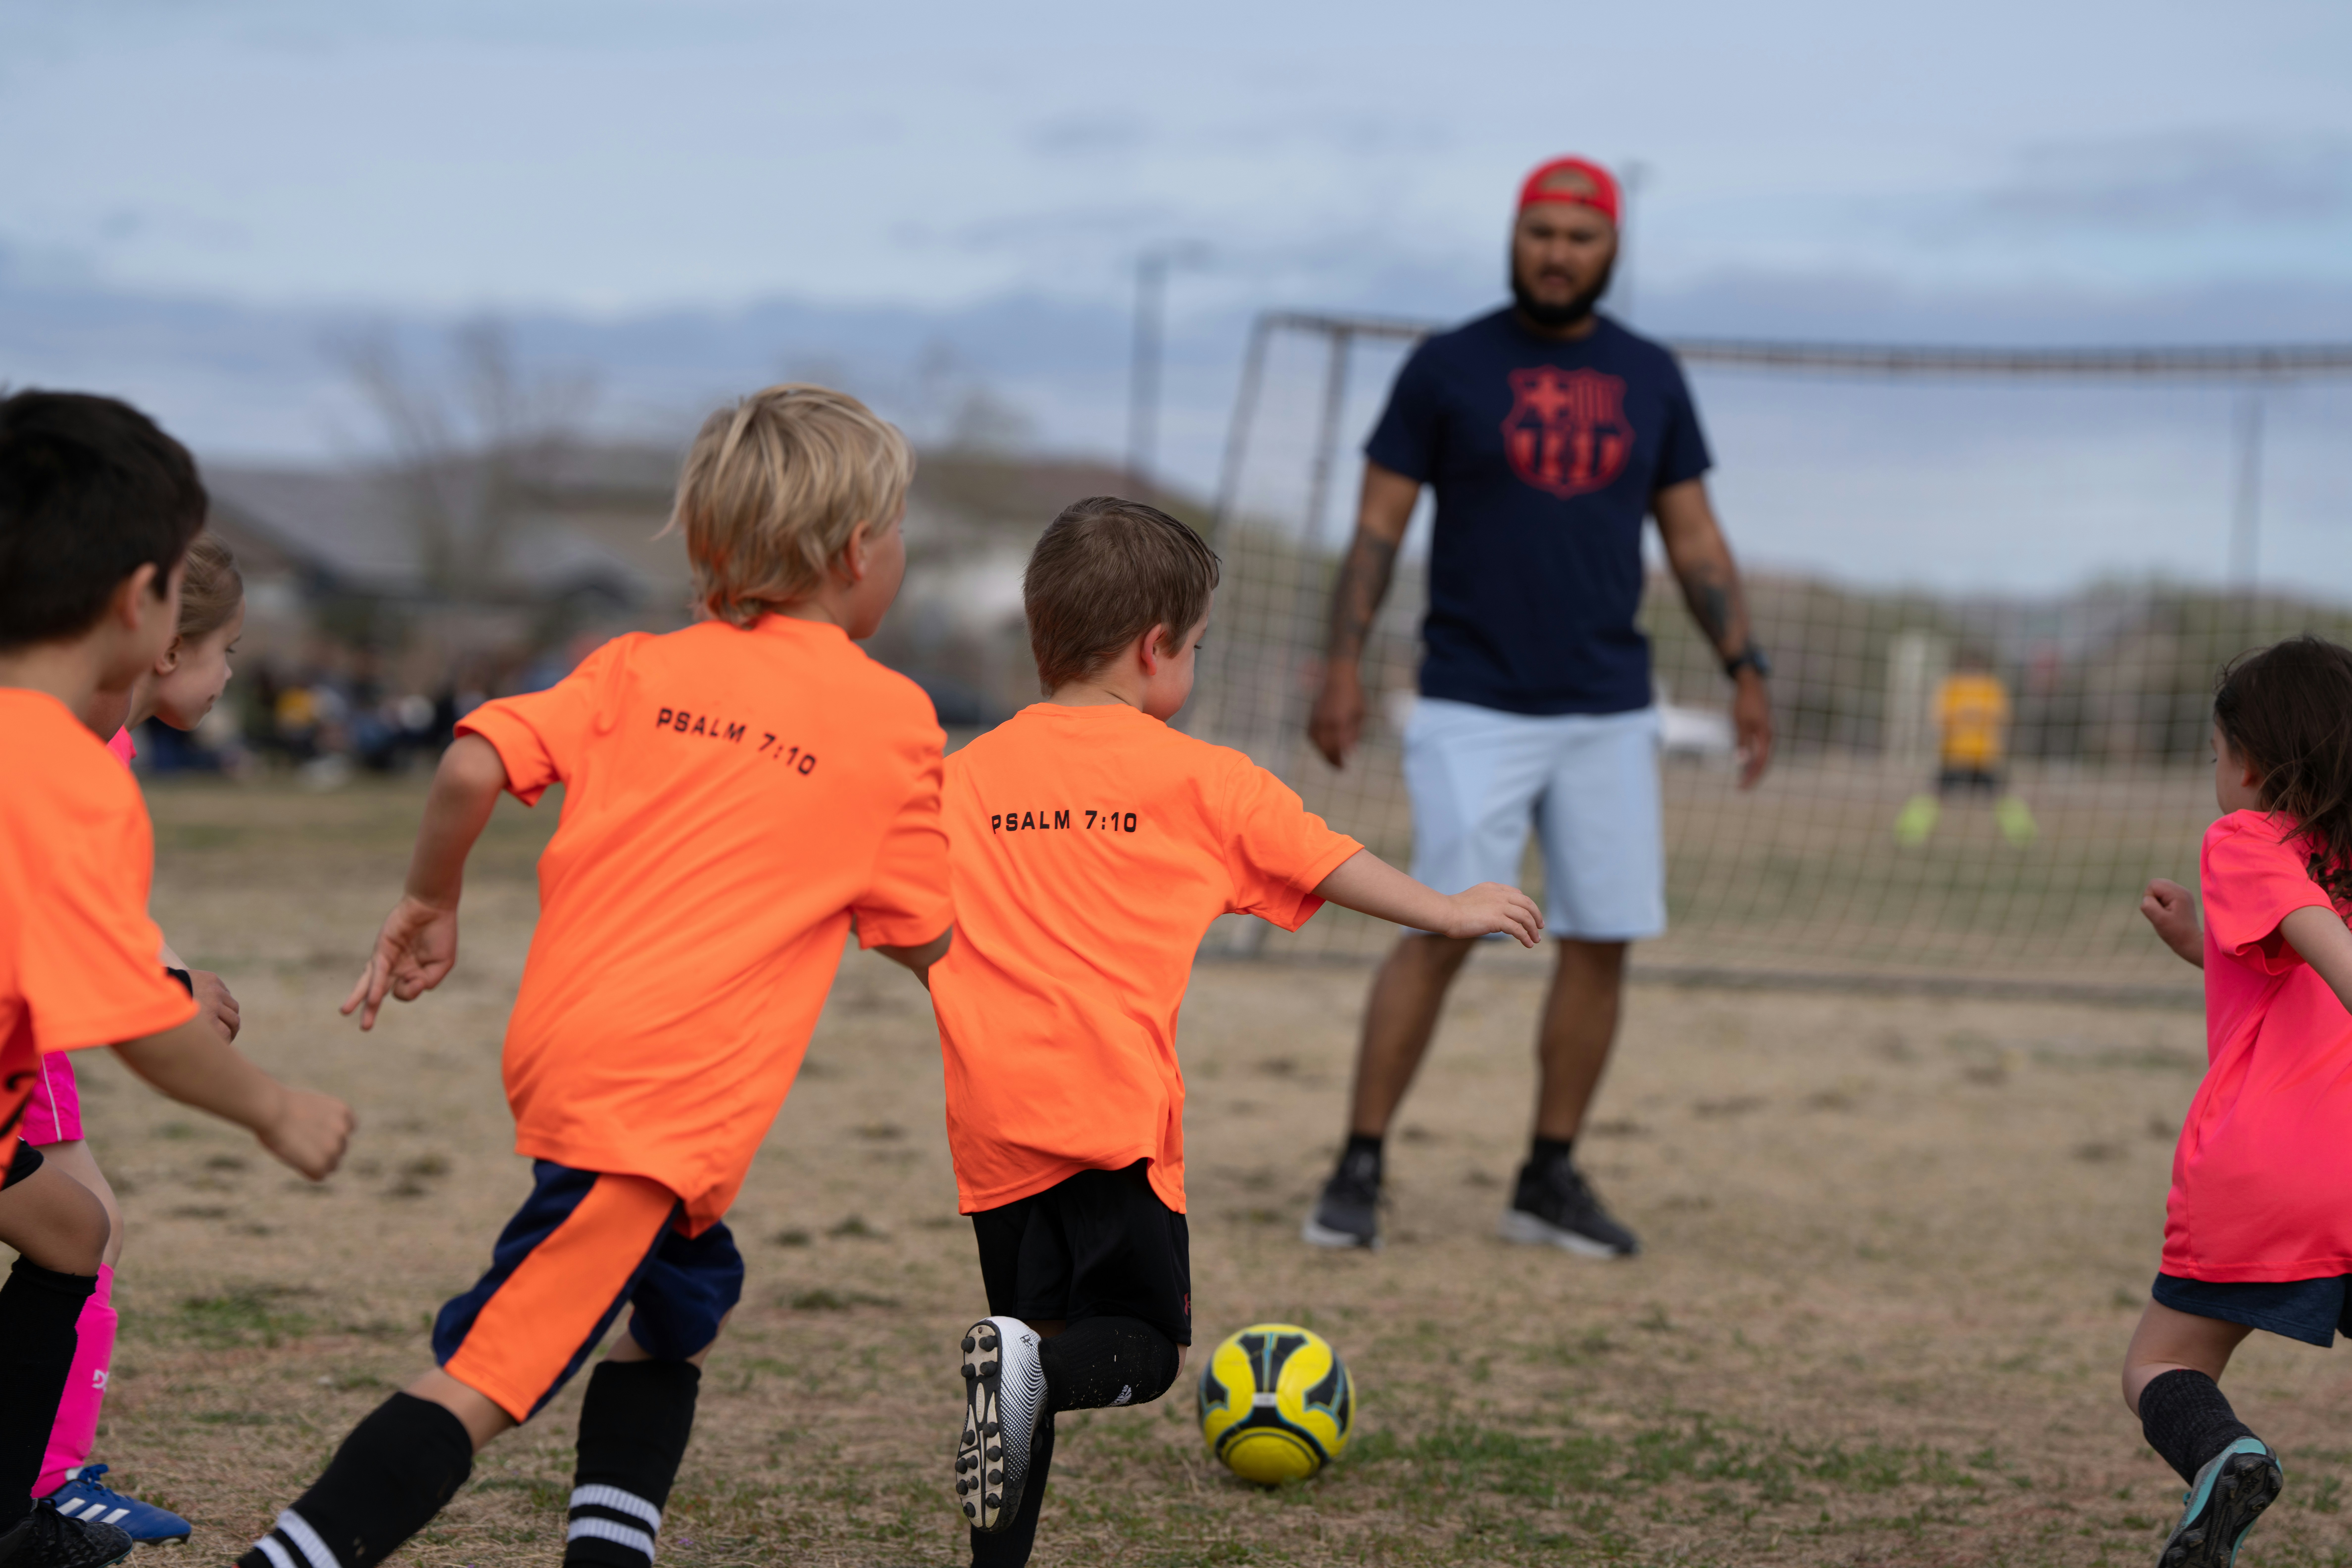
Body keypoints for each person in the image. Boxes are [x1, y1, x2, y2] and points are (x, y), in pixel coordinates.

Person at [239, 386, 953, 1568]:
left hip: (575, 1058)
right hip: (661, 1107)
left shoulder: (631, 668)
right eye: (901, 530)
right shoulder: (892, 721)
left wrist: (433, 896)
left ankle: (609, 1547)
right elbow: (933, 944)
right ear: (855, 553)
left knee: (678, 1317)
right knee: (489, 1373)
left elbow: (473, 763)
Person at [931, 497, 1541, 1566]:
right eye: (1199, 647)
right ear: (1157, 649)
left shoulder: (963, 778)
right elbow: (1324, 857)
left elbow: (874, 880)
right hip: (1112, 1120)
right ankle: (1030, 1383)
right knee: (1134, 1355)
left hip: (993, 1125)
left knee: (1022, 1362)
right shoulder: (1201, 780)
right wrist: (1449, 910)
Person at [1302, 155, 1774, 1257]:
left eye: (1581, 235)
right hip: (1473, 699)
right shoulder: (1447, 367)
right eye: (1541, 232)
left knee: (1603, 938)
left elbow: (1695, 539)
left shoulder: (1651, 376)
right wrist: (1341, 662)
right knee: (1442, 925)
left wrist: (1746, 664)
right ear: (1515, 237)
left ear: (1612, 247)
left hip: (1608, 704)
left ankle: (1546, 1177)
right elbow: (1377, 528)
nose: (1558, 252)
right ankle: (1359, 1163)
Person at [0, 389, 354, 1565]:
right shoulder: (65, 772)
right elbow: (140, 1027)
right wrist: (273, 1106)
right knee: (73, 1229)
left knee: (68, 1232)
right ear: (141, 606)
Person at [23, 533, 248, 1544]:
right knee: (88, 1225)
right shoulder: (89, 739)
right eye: (227, 650)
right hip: (27, 1025)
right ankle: (49, 1474)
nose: (231, 673)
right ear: (167, 650)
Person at [2128, 635, 2352, 1568]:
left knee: (2164, 1365)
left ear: (2251, 762)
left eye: (2216, 756)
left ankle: (2227, 1456)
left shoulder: (2249, 839)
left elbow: (2322, 950)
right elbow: (2289, 964)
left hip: (2274, 1172)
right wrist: (2210, 947)